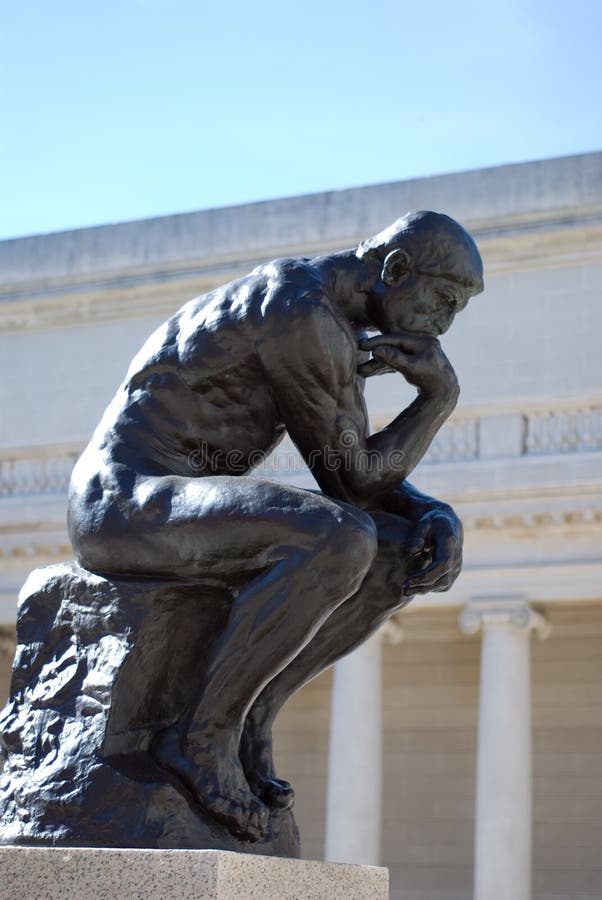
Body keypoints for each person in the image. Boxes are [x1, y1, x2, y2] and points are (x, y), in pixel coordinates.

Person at [67, 210, 484, 841]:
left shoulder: (327, 320)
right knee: (340, 535)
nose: (445, 324)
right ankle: (200, 738)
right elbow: (354, 481)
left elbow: (344, 457)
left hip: (176, 500)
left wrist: (428, 512)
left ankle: (250, 714)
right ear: (395, 269)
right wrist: (436, 400)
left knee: (398, 554)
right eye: (445, 300)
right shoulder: (300, 309)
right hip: (125, 500)